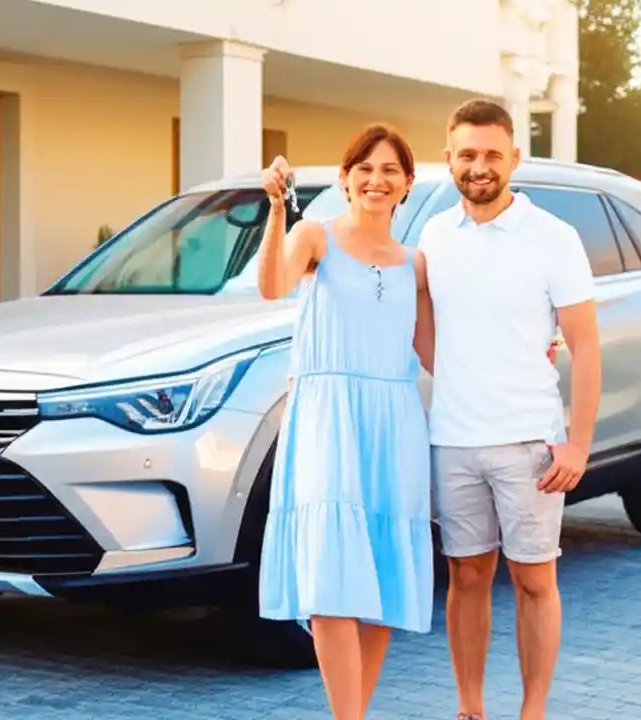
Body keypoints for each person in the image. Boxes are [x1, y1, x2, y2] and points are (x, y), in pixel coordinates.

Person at [414, 99, 601, 720]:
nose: (479, 166)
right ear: (449, 160)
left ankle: (533, 711)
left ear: (515, 158)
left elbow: (585, 344)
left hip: (530, 444)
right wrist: (464, 376)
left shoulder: (554, 238)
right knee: (466, 578)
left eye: (493, 154)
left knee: (533, 580)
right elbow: (423, 323)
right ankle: (470, 710)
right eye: (467, 154)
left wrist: (576, 444)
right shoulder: (436, 235)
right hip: (455, 440)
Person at [255, 123, 434, 720]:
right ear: (345, 178)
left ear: (407, 184)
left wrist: (531, 346)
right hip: (328, 420)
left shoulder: (417, 265)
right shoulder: (315, 236)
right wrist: (276, 208)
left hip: (395, 421)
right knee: (331, 582)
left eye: (390, 171)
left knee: (381, 581)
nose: (376, 180)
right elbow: (272, 286)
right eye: (365, 168)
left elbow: (439, 356)